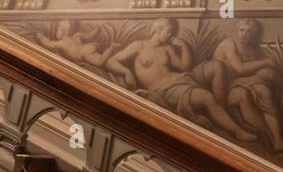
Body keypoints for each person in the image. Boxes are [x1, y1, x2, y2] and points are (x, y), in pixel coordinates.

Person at [106, 19, 256, 143]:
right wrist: (126, 72)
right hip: (161, 88)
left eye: (173, 32)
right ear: (158, 29)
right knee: (207, 97)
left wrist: (183, 46)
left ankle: (224, 115)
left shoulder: (168, 49)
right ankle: (237, 131)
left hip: (178, 81)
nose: (171, 35)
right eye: (169, 31)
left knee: (213, 77)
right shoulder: (139, 45)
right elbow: (112, 61)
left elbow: (184, 66)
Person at [212, 19, 283, 153]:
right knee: (243, 95)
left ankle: (278, 140)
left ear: (254, 35)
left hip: (240, 84)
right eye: (242, 30)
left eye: (249, 32)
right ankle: (267, 135)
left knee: (264, 91)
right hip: (222, 90)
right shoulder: (229, 44)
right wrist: (265, 63)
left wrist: (265, 72)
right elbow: (240, 69)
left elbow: (261, 71)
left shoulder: (252, 48)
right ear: (237, 30)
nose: (244, 34)